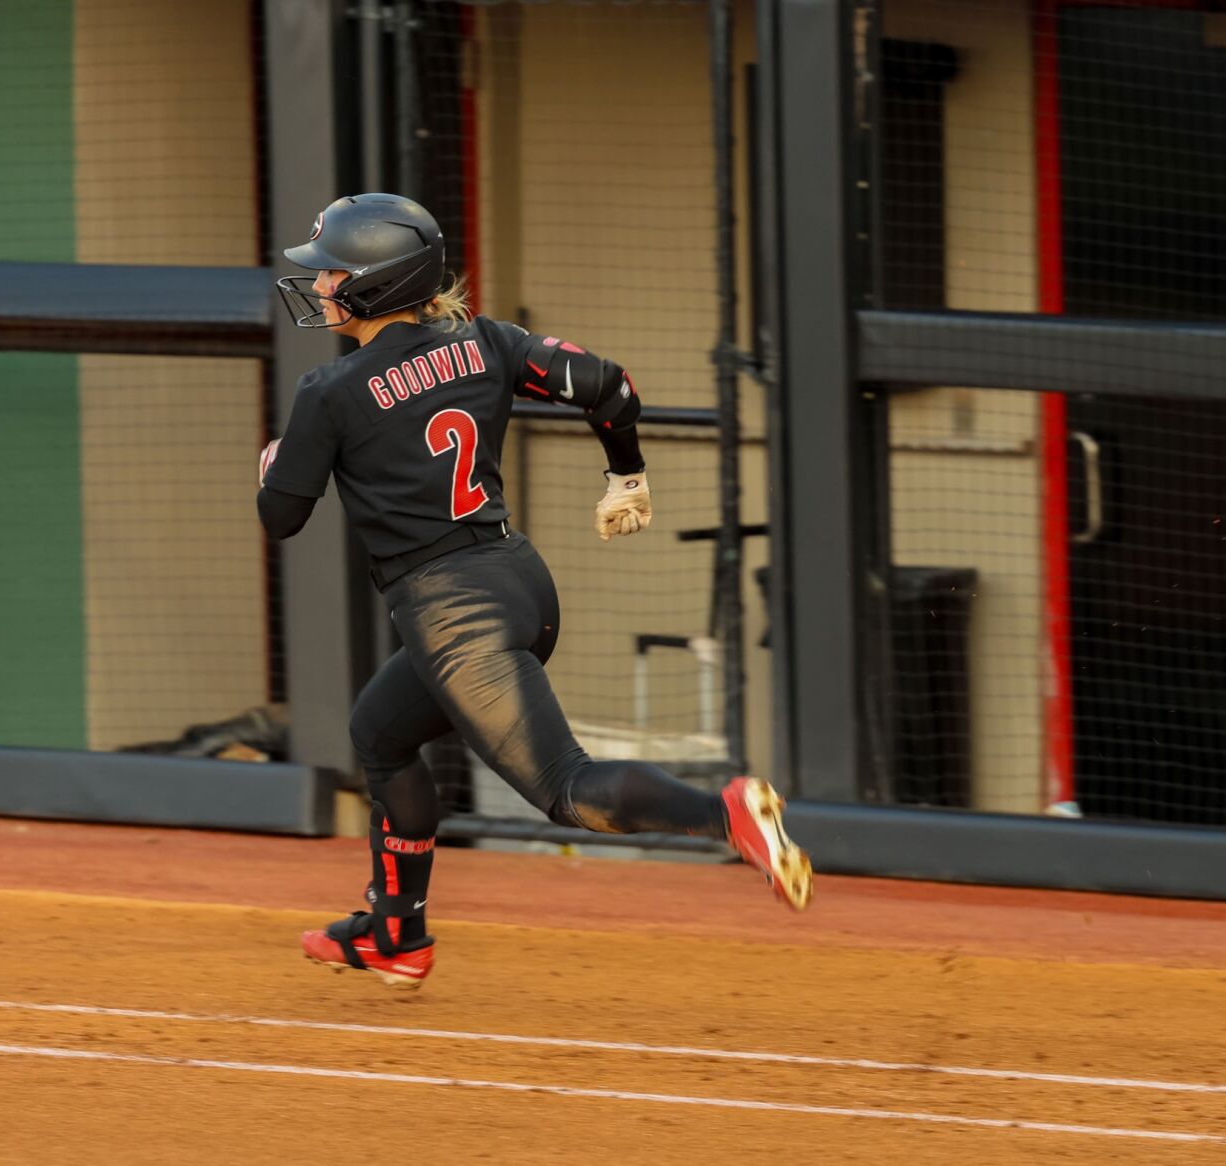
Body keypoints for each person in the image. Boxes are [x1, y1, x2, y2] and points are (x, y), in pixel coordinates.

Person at [260, 193, 812, 991]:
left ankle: (723, 813)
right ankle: (395, 933)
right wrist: (626, 473)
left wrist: (277, 461)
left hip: (454, 615)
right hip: (516, 579)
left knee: (566, 791)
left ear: (377, 284)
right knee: (379, 734)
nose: (318, 287)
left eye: (333, 273)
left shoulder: (329, 391)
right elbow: (610, 387)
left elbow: (280, 518)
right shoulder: (485, 340)